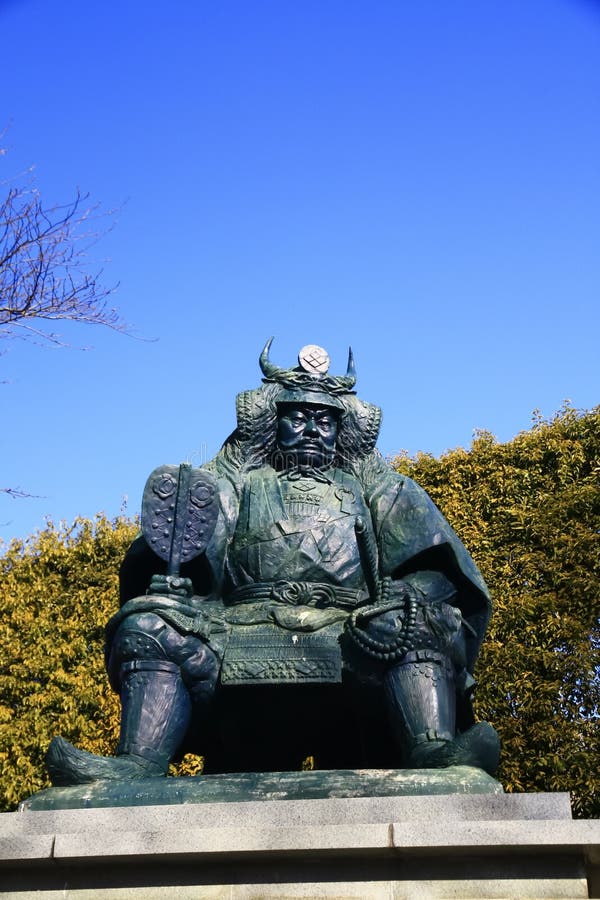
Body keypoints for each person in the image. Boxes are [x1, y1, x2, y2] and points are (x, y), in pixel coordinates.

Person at [47, 340, 499, 784]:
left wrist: (408, 591)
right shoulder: (234, 483)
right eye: (297, 418)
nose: (312, 429)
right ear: (273, 423)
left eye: (325, 421)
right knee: (147, 625)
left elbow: (434, 564)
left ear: (343, 430)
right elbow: (189, 541)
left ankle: (430, 749)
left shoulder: (380, 488)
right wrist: (181, 581)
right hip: (239, 624)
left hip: (353, 628)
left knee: (420, 620)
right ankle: (138, 761)